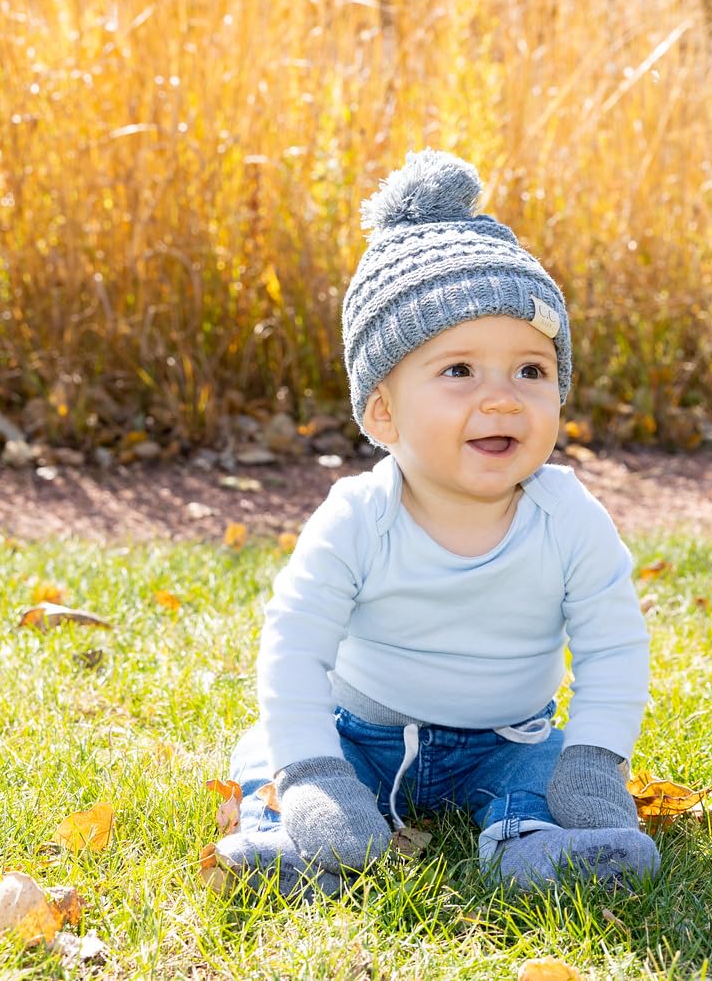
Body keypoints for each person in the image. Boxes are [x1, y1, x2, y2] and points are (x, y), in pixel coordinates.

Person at [214, 150, 659, 899]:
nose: (502, 399)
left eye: (531, 370)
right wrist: (315, 768)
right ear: (383, 410)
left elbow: (615, 645)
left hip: (506, 738)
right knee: (273, 753)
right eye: (460, 371)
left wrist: (594, 759)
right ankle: (292, 843)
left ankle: (534, 847)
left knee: (542, 772)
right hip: (361, 732)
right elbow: (294, 649)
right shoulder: (359, 517)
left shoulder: (569, 517)